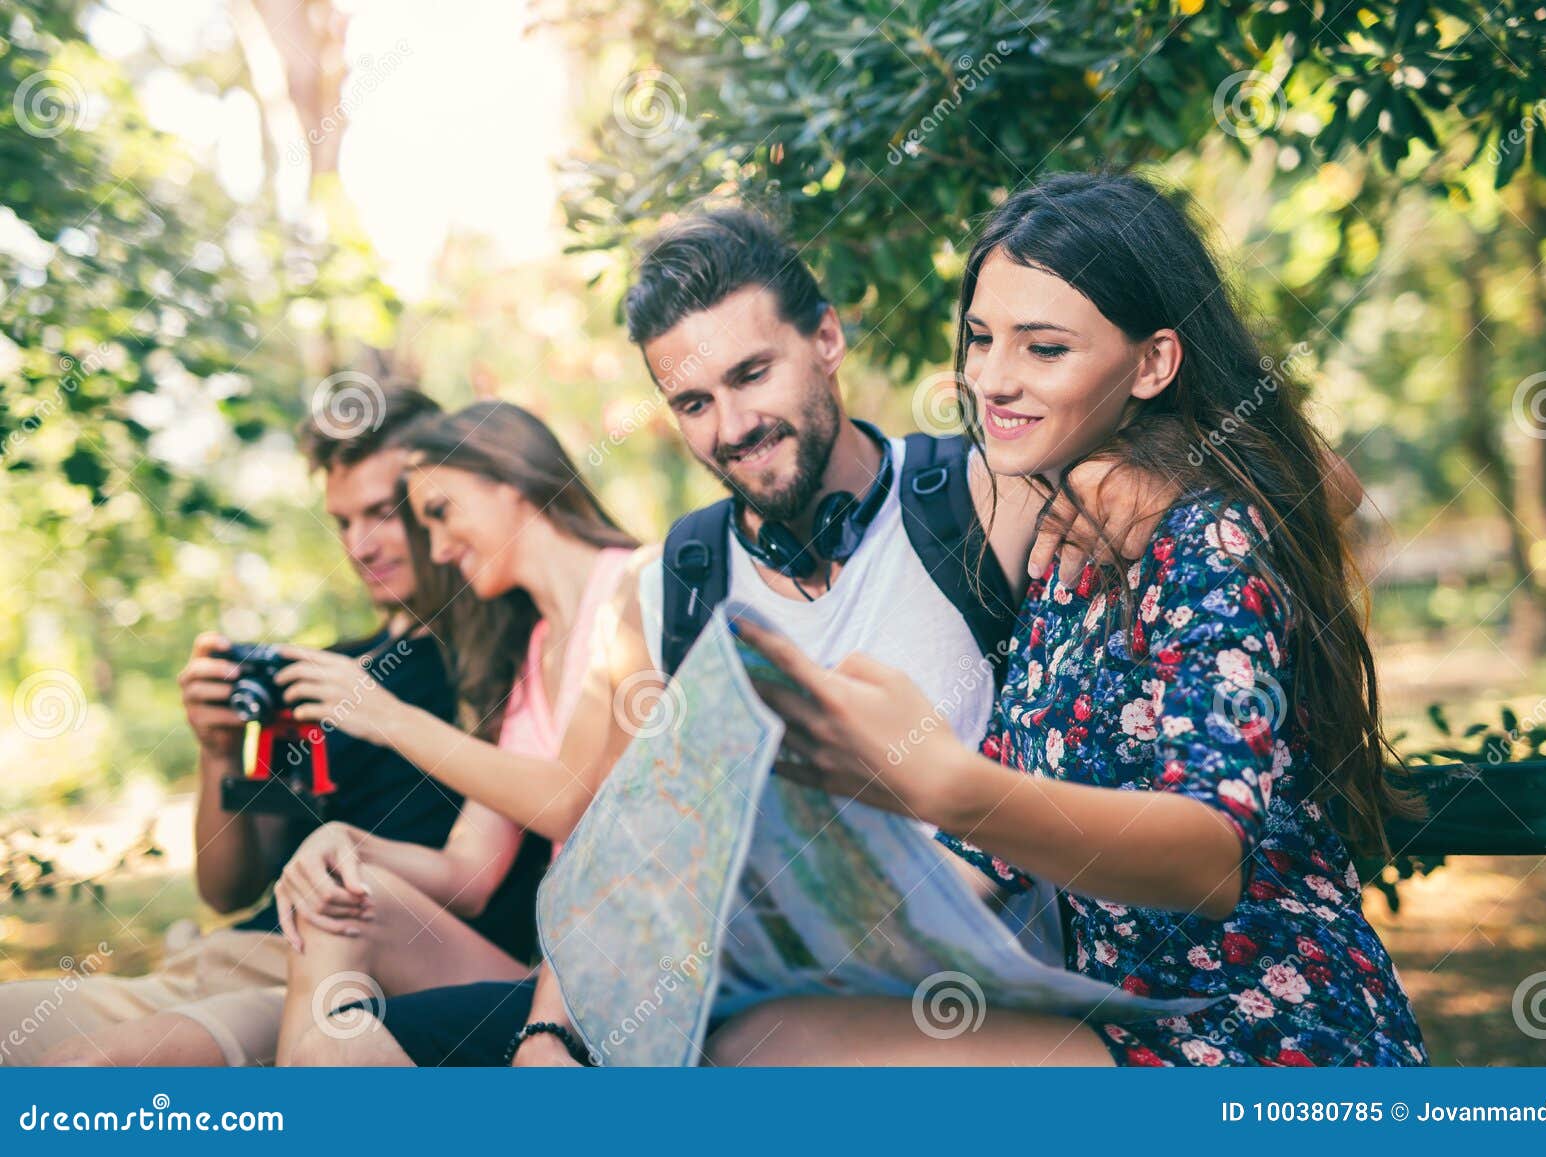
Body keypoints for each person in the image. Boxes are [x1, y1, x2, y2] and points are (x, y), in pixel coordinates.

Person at [315, 206, 1292, 1068]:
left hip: (988, 1021)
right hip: (747, 1014)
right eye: (694, 402)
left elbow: (1290, 484)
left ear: (825, 337)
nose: (733, 425)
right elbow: (606, 849)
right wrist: (549, 1035)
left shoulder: (988, 492)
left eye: (753, 373)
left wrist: (1131, 479)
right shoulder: (662, 592)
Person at [719, 172, 1429, 1067]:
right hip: (1128, 1031)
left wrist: (944, 782)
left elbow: (1208, 860)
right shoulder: (1069, 543)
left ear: (1153, 362)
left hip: (1268, 1044)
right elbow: (989, 857)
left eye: (1044, 348)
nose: (990, 378)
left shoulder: (1203, 532)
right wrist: (791, 924)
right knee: (759, 1034)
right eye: (980, 338)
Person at [0, 386, 540, 1067]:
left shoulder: (500, 655)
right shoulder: (329, 669)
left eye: (382, 513)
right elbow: (228, 887)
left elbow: (480, 871)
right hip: (222, 954)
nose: (360, 544)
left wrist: (382, 715)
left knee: (92, 1072)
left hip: (347, 968)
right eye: (342, 521)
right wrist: (219, 751)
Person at [273, 401, 649, 1068]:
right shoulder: (534, 647)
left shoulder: (634, 587)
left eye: (441, 513)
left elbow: (565, 798)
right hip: (554, 973)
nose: (439, 548)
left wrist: (387, 716)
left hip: (625, 967)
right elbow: (469, 871)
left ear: (511, 477)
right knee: (334, 903)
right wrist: (346, 842)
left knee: (341, 1049)